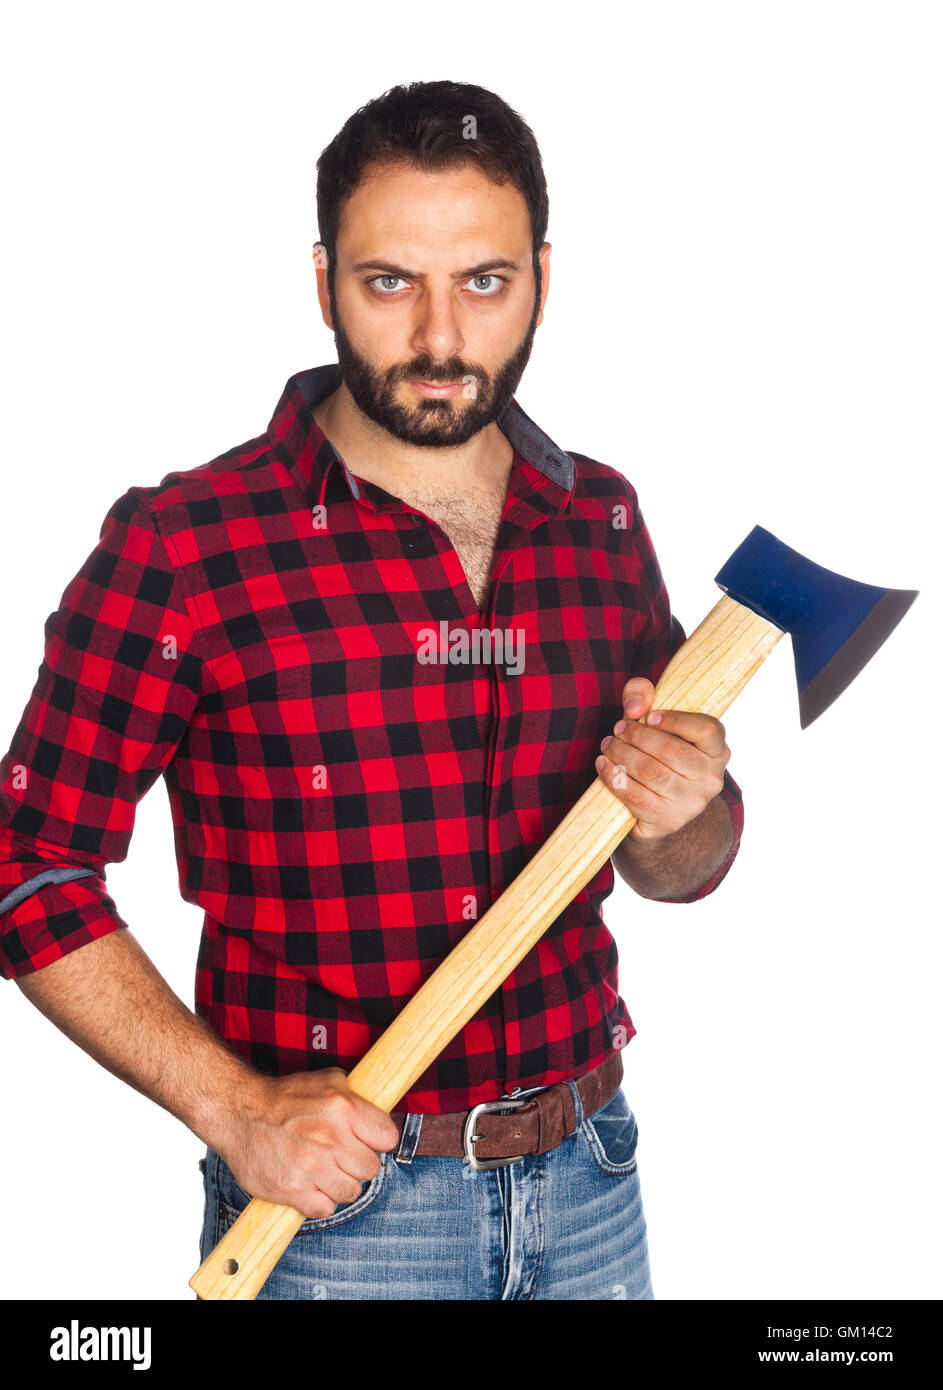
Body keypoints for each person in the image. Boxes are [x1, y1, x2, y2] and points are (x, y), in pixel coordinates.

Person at [0, 80, 743, 1300]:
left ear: (542, 279)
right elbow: (27, 859)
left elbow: (681, 866)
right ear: (324, 282)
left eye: (485, 282)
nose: (440, 337)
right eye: (390, 281)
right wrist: (233, 1108)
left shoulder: (600, 518)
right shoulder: (187, 545)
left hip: (593, 1182)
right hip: (341, 1223)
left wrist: (683, 810)